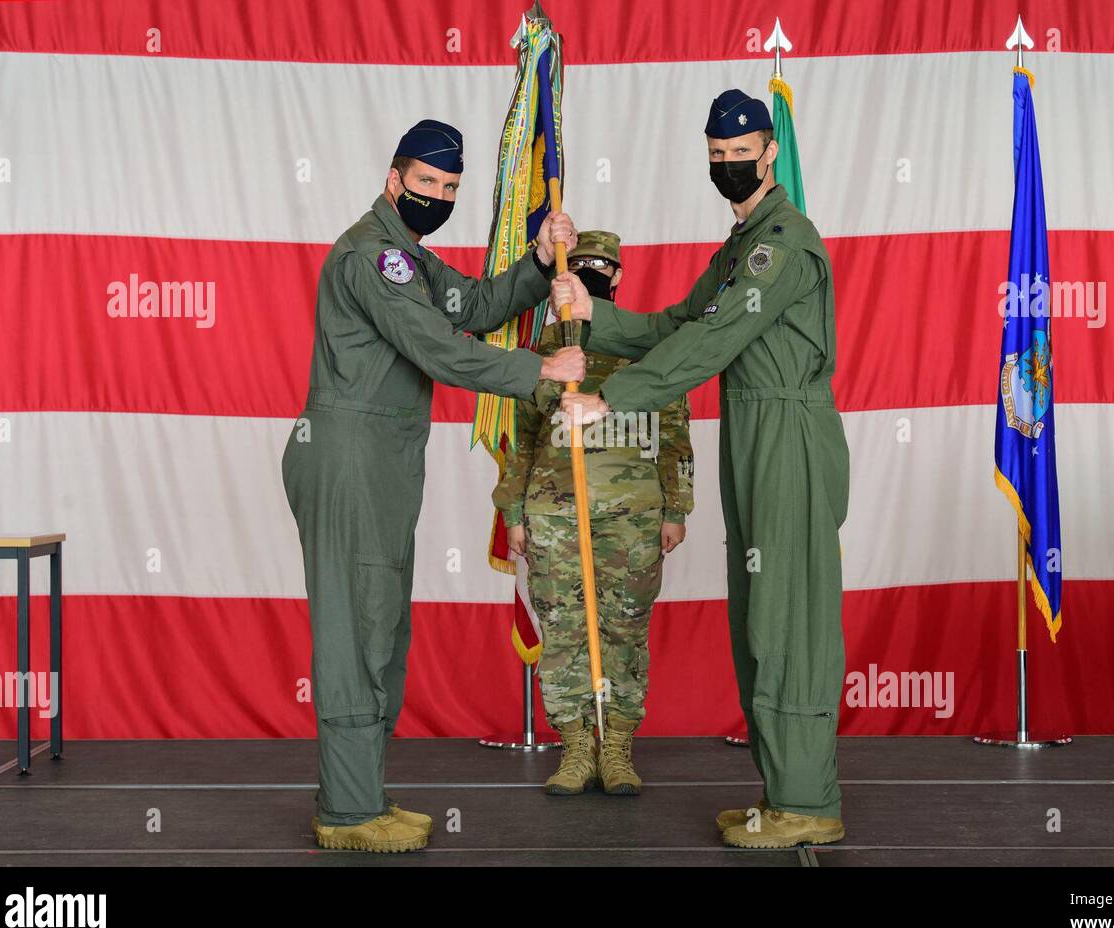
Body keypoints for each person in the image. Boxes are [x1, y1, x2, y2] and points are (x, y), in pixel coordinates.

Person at [551, 91, 850, 849]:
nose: (728, 166)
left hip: (787, 429)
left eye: (741, 152)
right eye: (716, 156)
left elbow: (705, 351)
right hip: (751, 425)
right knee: (757, 610)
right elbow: (677, 327)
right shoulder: (738, 245)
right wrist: (590, 311)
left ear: (770, 149)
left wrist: (608, 398)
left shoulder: (780, 242)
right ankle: (780, 788)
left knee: (790, 615)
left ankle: (808, 797)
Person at [282, 119, 583, 853]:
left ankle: (360, 796)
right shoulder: (372, 257)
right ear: (395, 180)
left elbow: (473, 309)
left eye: (450, 188)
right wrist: (536, 373)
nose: (439, 196)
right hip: (351, 454)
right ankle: (350, 812)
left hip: (380, 458)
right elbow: (437, 349)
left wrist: (540, 262)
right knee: (357, 628)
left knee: (379, 623)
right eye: (427, 184)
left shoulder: (409, 259)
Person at [492, 230, 694, 797]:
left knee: (624, 628)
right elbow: (523, 441)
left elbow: (675, 435)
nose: (592, 275)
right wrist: (513, 515)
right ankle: (577, 745)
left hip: (631, 516)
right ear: (563, 274)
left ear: (619, 276)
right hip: (555, 513)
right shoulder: (541, 354)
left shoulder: (647, 348)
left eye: (603, 268)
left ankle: (618, 746)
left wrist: (676, 509)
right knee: (562, 631)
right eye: (580, 267)